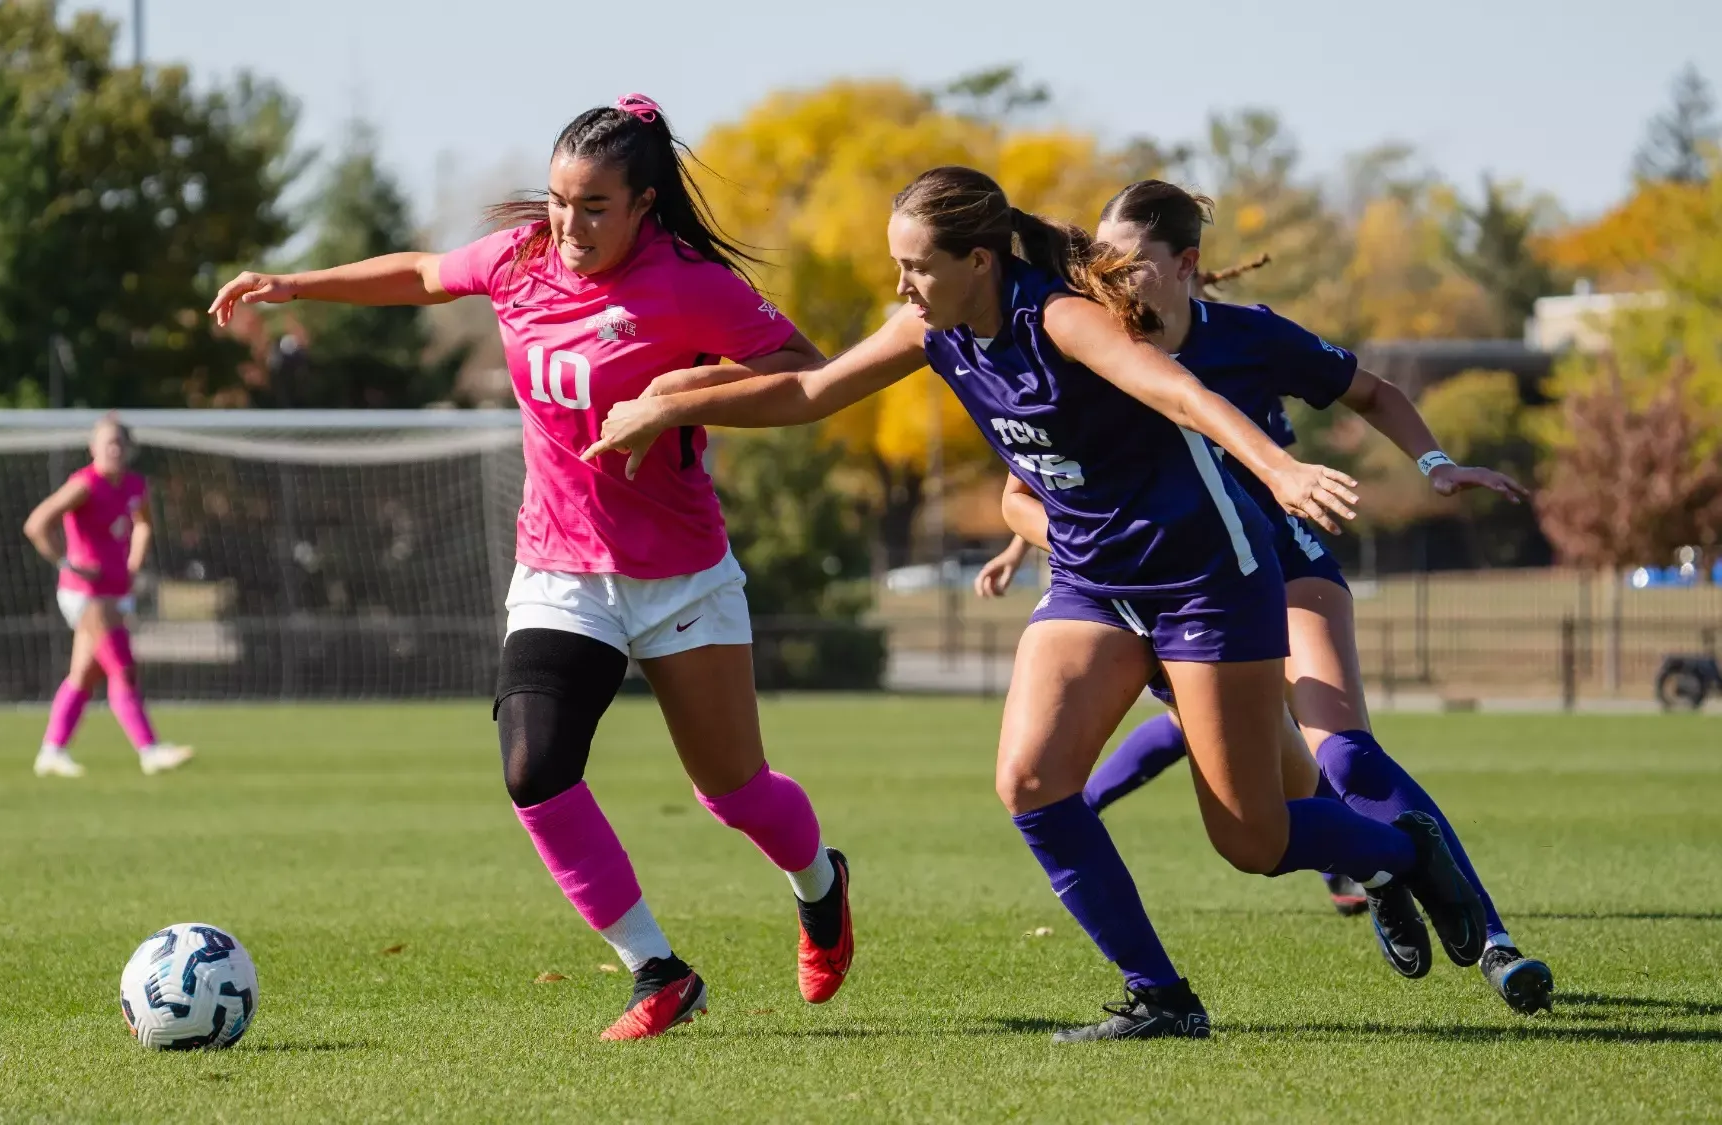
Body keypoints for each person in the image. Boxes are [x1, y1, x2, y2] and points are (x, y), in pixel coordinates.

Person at [584, 165, 1486, 1042]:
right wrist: (675, 405)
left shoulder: (1058, 316)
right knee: (1029, 782)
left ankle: (1402, 849)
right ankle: (1160, 997)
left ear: (980, 259)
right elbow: (812, 390)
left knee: (1252, 840)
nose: (902, 285)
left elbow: (1178, 388)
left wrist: (1281, 468)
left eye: (916, 266)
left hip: (1204, 580)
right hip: (1093, 581)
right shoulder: (929, 328)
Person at [207, 95, 854, 1042]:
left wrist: (682, 395)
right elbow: (427, 275)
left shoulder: (693, 285)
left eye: (595, 206)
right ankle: (657, 970)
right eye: (559, 201)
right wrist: (296, 286)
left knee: (734, 791)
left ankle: (820, 882)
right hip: (560, 569)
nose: (570, 225)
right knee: (535, 767)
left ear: (643, 204)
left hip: (681, 576)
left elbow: (807, 378)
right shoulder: (520, 263)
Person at [975, 180, 1553, 1015]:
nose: (1113, 279)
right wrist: (1074, 544)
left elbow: (1375, 392)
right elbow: (1023, 488)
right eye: (1102, 261)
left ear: (1186, 266)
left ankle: (1493, 939)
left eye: (1131, 264)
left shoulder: (1247, 337)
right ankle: (1379, 864)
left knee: (1344, 750)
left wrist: (1436, 465)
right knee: (1270, 815)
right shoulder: (1082, 339)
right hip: (1166, 582)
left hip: (1282, 561)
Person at [23, 415, 194, 779]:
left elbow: (145, 524)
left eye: (118, 443)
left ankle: (51, 752)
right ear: (93, 448)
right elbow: (37, 524)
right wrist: (65, 561)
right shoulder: (84, 485)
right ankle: (150, 750)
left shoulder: (135, 486)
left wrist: (133, 563)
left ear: (129, 448)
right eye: (106, 443)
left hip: (116, 591)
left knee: (84, 675)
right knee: (122, 666)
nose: (113, 449)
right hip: (86, 594)